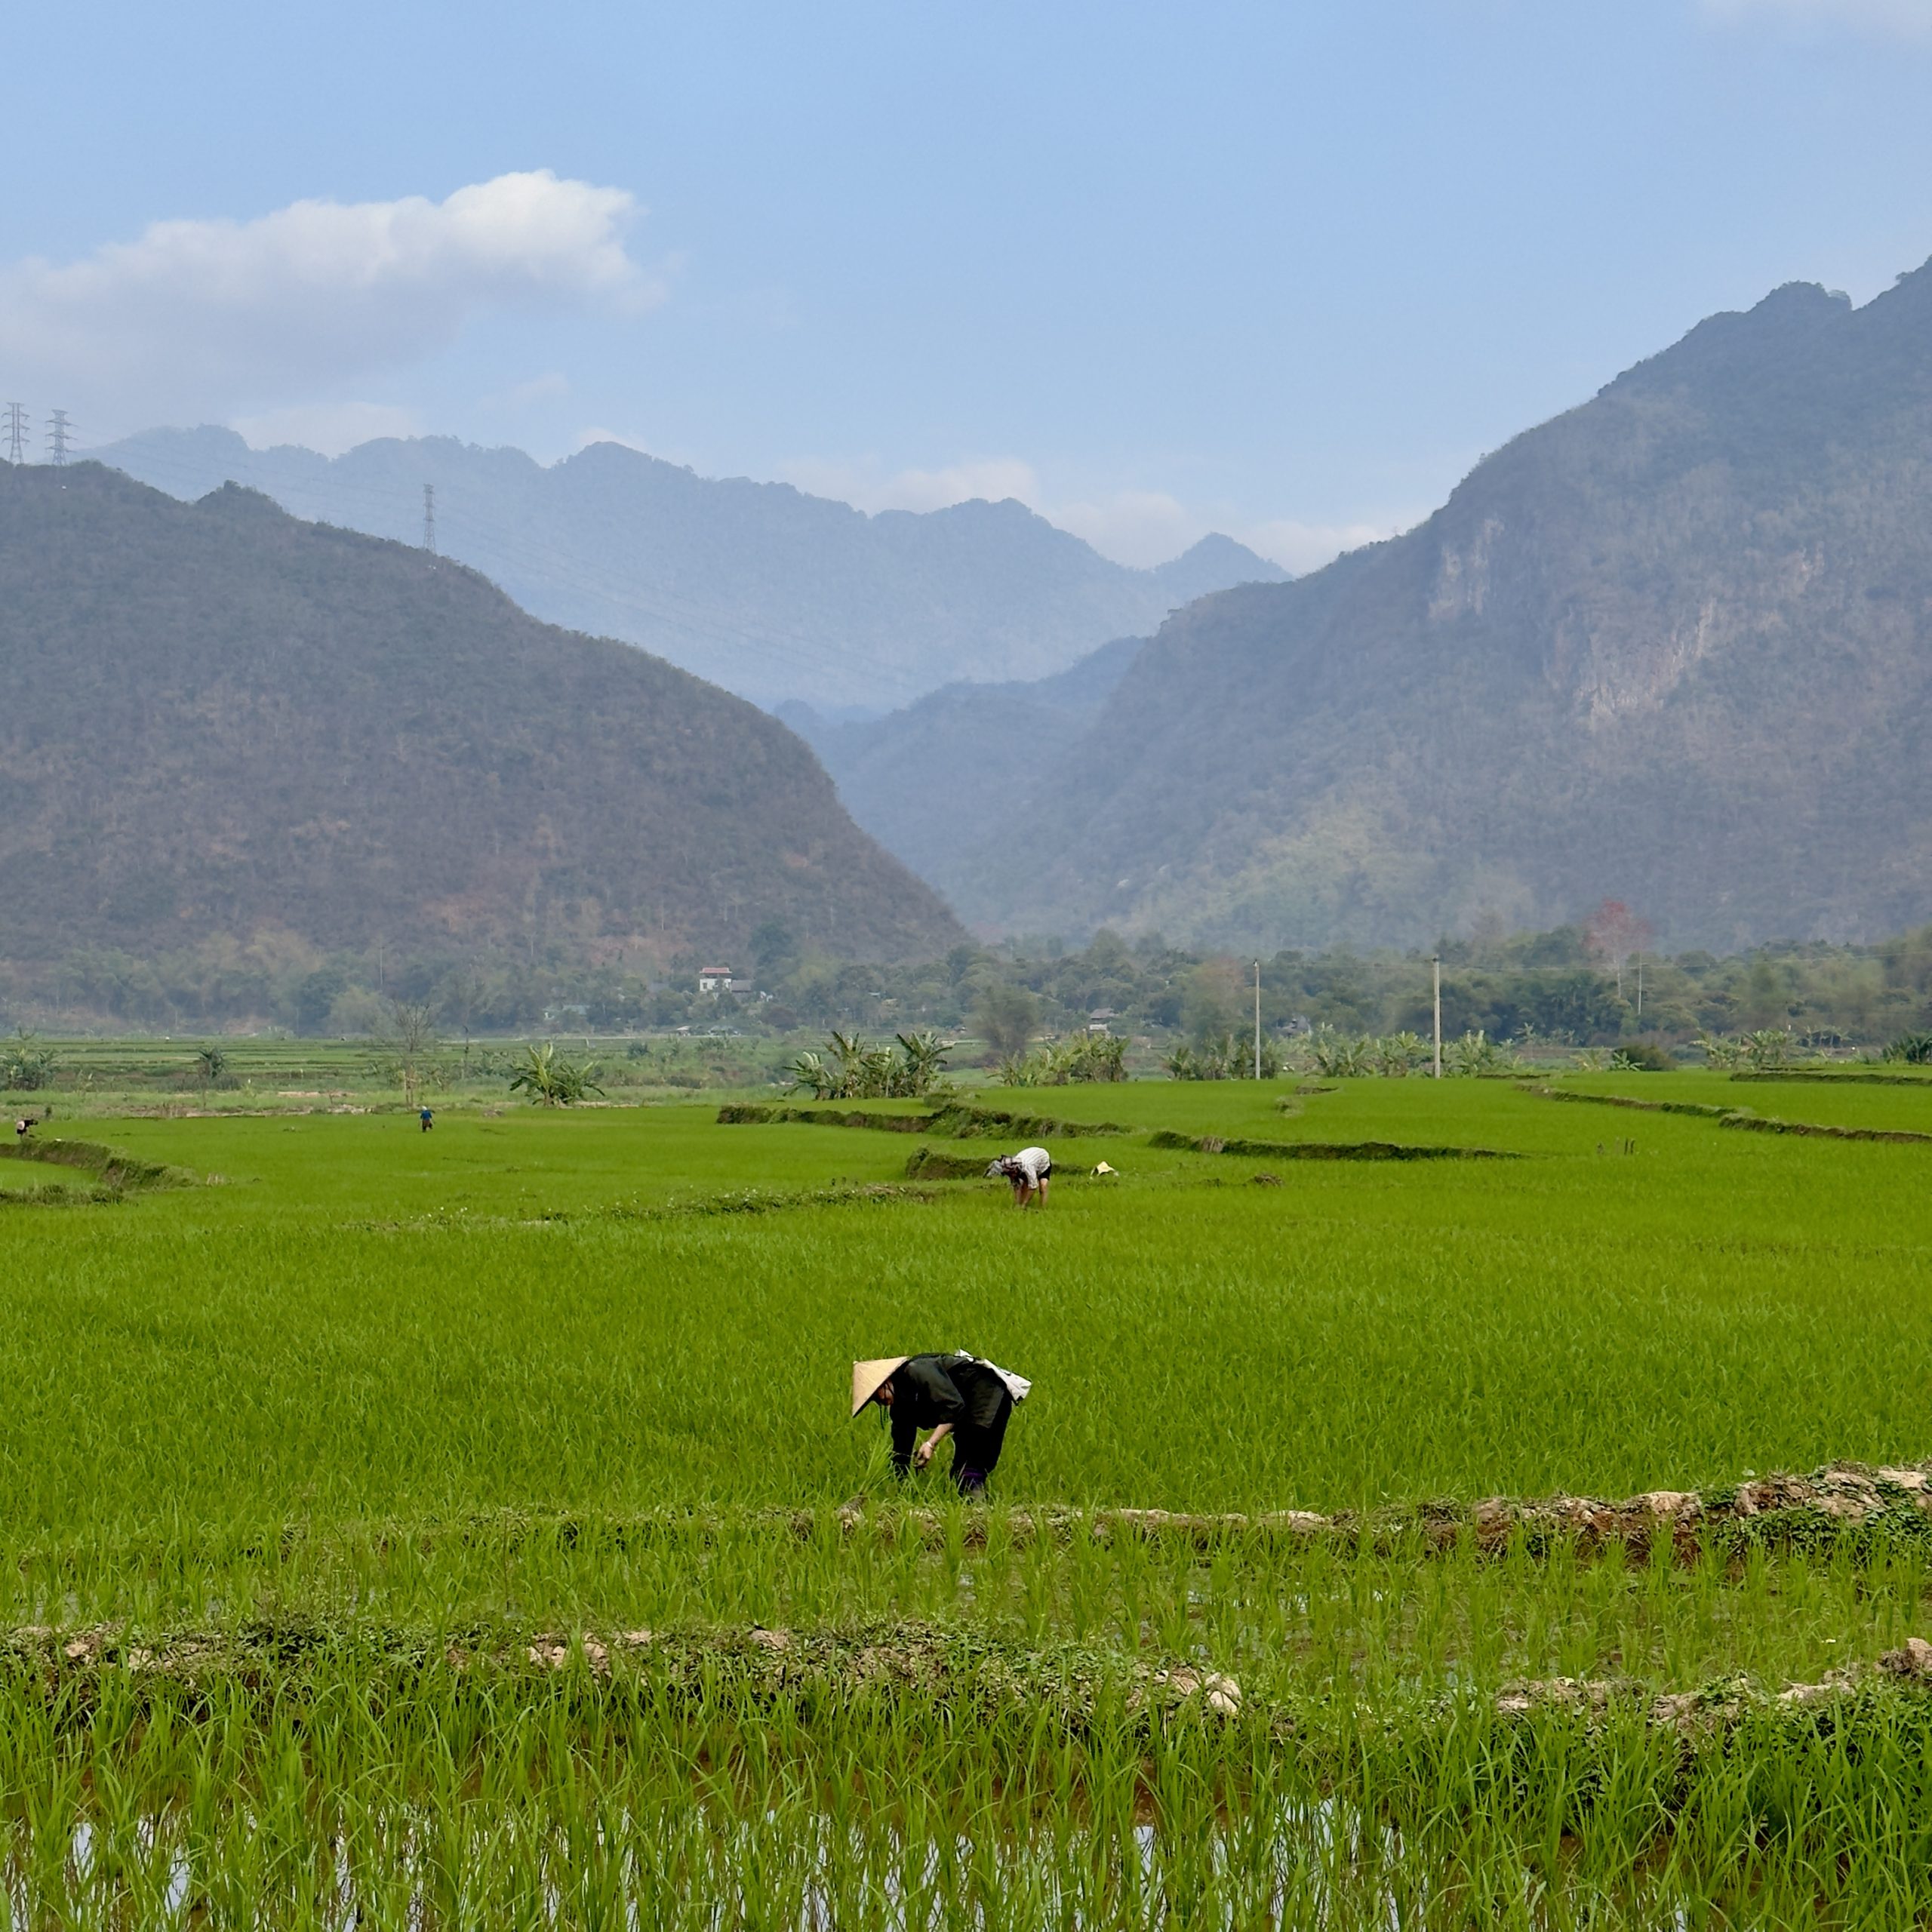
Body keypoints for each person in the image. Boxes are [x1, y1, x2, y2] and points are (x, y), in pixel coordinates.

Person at [850, 1353, 1028, 1498]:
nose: (880, 1401)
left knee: (970, 1468)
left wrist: (930, 1444)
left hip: (986, 1395)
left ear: (885, 1381)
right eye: (874, 1400)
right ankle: (975, 1518)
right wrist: (896, 1483)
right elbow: (901, 1446)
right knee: (959, 1475)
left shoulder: (917, 1371)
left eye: (878, 1394)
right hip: (966, 1407)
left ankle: (983, 1521)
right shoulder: (900, 1406)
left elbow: (953, 1407)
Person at [986, 1144, 1051, 1207]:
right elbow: (1016, 1186)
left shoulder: (1027, 1167)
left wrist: (1024, 1204)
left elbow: (1033, 1186)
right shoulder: (1012, 1167)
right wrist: (1017, 1204)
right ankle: (1023, 1205)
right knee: (1024, 1185)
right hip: (1031, 1161)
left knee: (1043, 1187)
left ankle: (1042, 1207)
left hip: (1043, 1161)